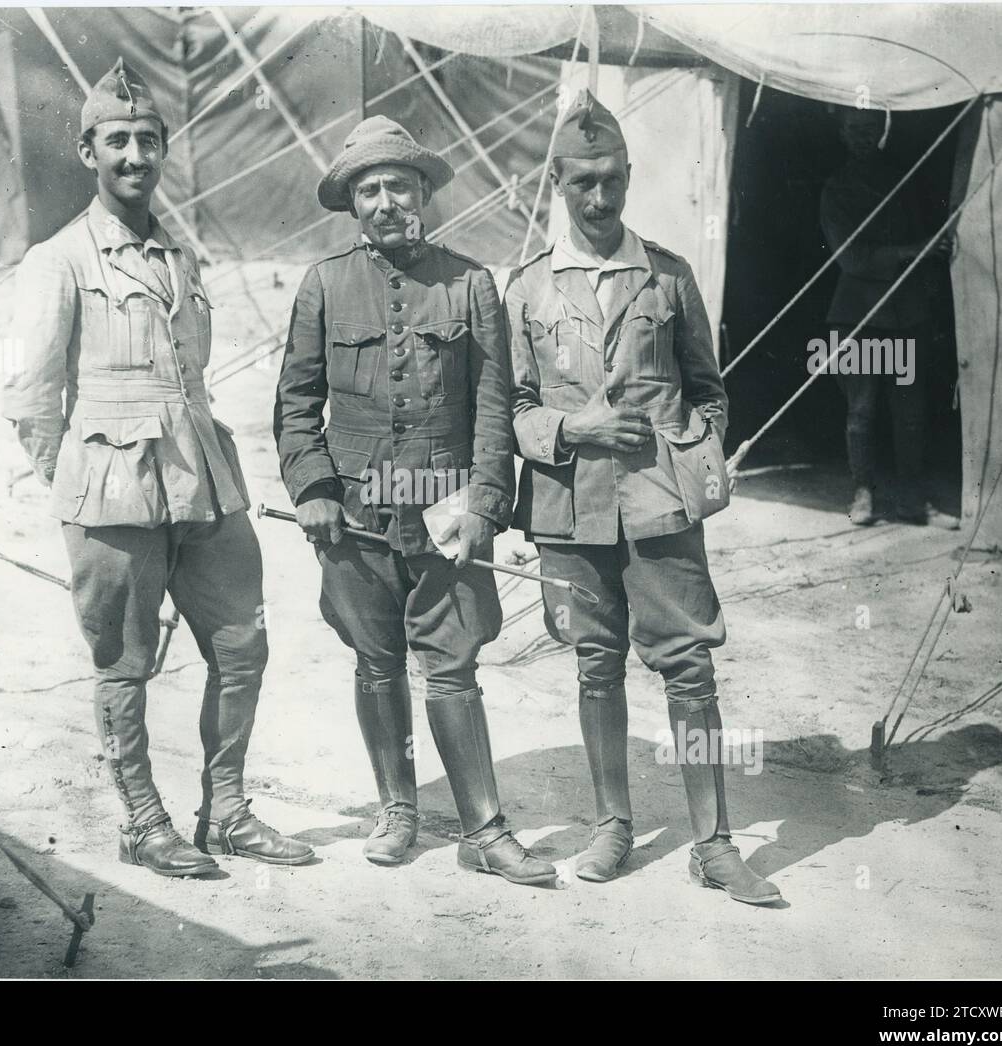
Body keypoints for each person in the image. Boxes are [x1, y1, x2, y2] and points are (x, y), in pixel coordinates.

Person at [2, 58, 313, 878]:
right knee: (125, 666)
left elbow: (189, 379)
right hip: (112, 497)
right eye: (117, 141)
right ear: (87, 152)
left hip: (204, 483)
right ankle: (143, 822)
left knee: (242, 644)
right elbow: (33, 399)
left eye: (147, 140)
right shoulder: (59, 259)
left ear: (164, 148)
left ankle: (227, 810)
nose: (134, 156)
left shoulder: (181, 259)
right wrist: (81, 486)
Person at [505, 90, 779, 904]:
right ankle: (611, 824)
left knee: (690, 668)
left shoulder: (669, 274)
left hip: (660, 506)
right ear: (555, 180)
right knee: (596, 663)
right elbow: (511, 411)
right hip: (569, 508)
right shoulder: (525, 289)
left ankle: (715, 843)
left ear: (629, 175)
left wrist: (690, 459)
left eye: (613, 179)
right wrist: (572, 430)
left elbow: (711, 390)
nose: (599, 197)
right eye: (583, 181)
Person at [273, 116, 554, 885]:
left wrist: (486, 506)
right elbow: (296, 406)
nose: (386, 202)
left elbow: (496, 409)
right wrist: (314, 489)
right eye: (369, 189)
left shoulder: (471, 283)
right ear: (352, 204)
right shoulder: (323, 285)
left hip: (445, 512)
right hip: (356, 516)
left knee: (453, 666)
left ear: (424, 192)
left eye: (400, 184)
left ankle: (486, 831)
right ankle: (397, 807)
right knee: (375, 661)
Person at [820, 107, 950, 525]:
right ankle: (863, 494)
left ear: (883, 132)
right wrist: (913, 251)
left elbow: (929, 239)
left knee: (910, 411)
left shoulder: (904, 182)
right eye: (854, 129)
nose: (863, 137)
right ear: (842, 133)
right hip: (859, 317)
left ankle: (913, 499)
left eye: (871, 129)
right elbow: (852, 257)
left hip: (906, 315)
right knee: (862, 410)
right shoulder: (836, 188)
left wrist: (927, 251)